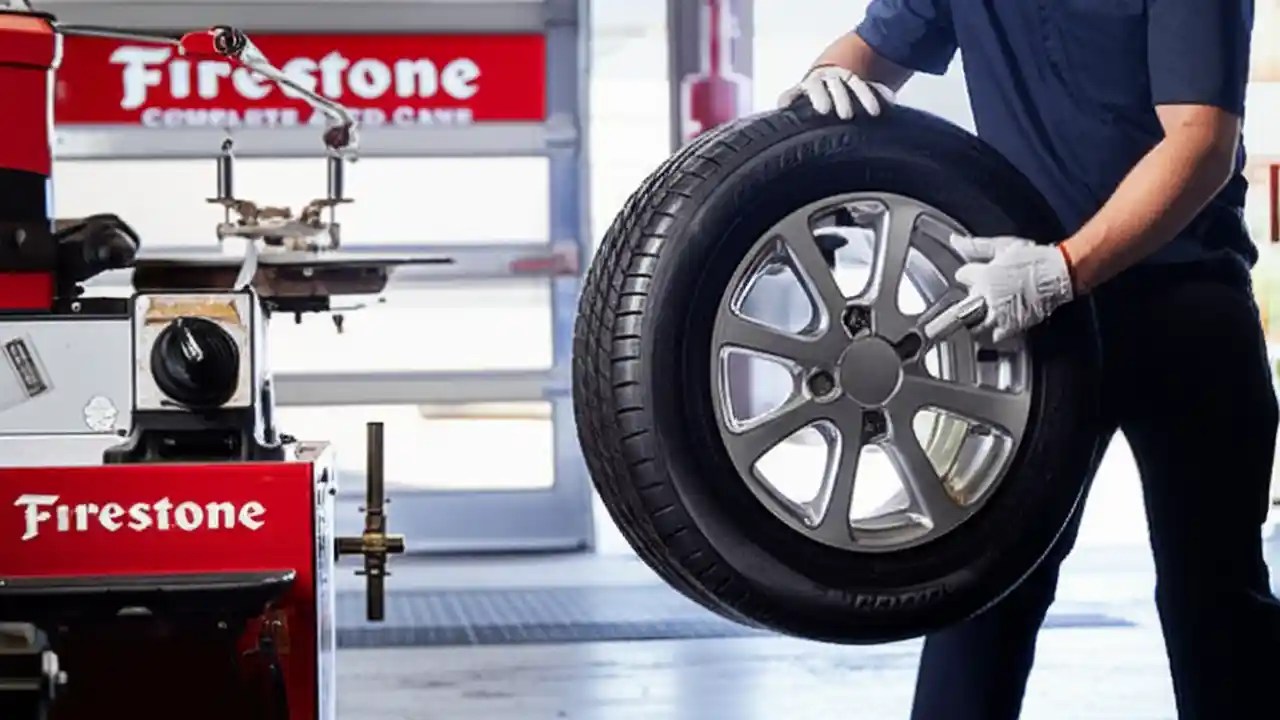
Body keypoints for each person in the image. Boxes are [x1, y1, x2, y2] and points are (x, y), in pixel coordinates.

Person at [778, 2, 1280, 718]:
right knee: (982, 592)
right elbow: (866, 55)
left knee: (1217, 598)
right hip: (1032, 323)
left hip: (1184, 305)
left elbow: (1200, 144)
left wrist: (1064, 269)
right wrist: (821, 89)